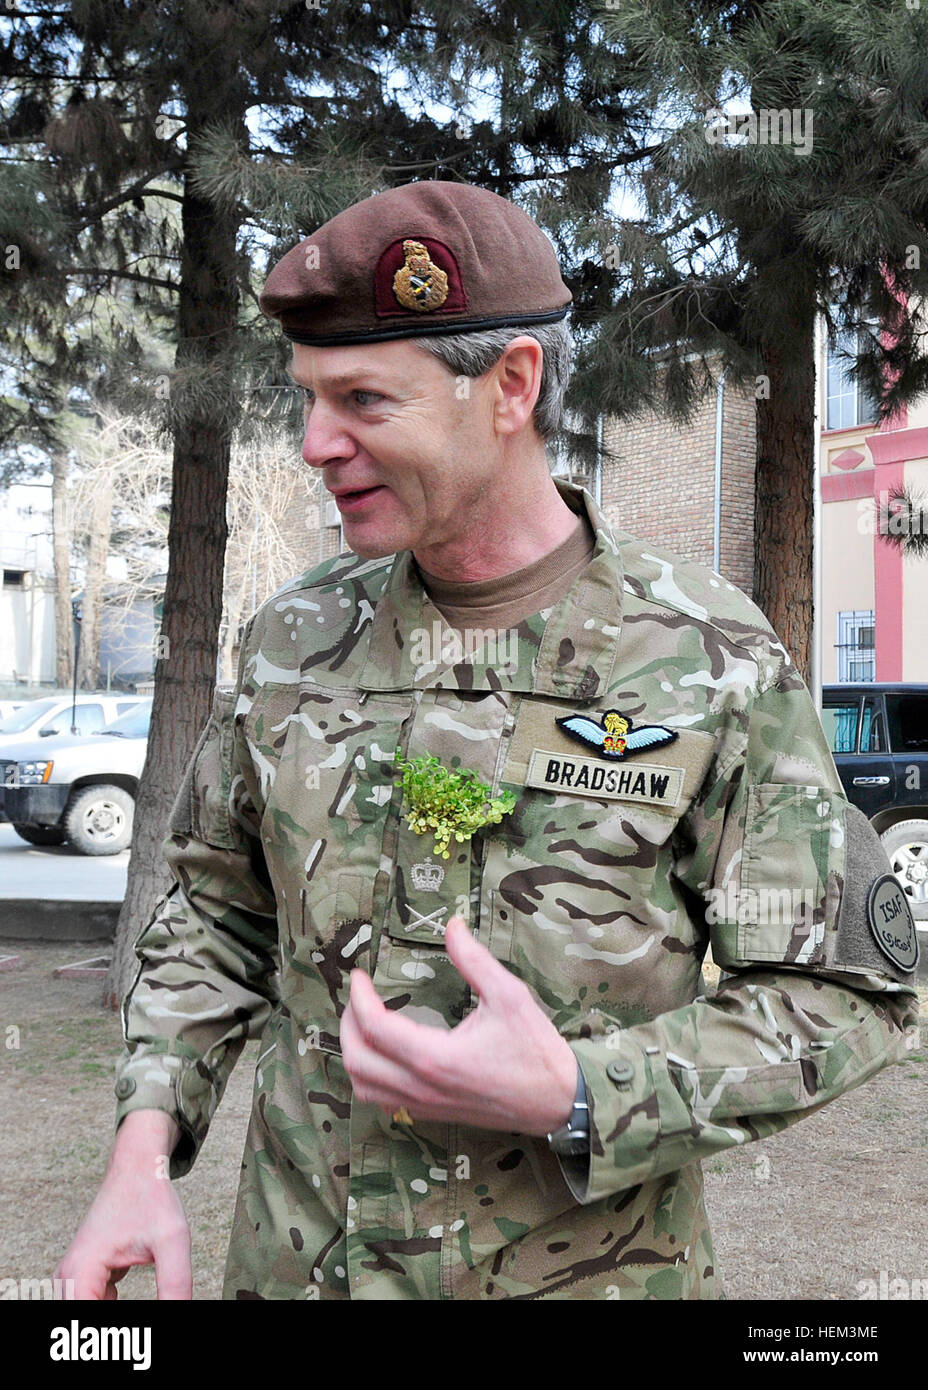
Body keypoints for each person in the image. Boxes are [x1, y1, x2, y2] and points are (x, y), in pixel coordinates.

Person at [56, 180, 920, 1301]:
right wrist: (142, 1150)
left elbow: (846, 999)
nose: (317, 444)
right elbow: (220, 912)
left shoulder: (710, 659)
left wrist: (581, 1088)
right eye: (308, 399)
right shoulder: (292, 638)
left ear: (510, 386)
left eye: (363, 399)